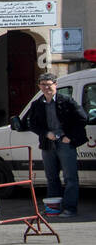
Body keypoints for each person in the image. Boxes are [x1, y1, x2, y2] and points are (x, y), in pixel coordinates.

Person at [24, 72, 87, 217]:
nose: (46, 88)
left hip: (65, 143)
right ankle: (54, 208)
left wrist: (69, 137)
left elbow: (83, 118)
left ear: (56, 85)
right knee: (51, 177)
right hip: (47, 144)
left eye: (49, 85)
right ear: (39, 86)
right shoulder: (37, 104)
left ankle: (70, 208)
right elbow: (31, 123)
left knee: (70, 177)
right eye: (43, 85)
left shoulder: (67, 101)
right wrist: (46, 133)